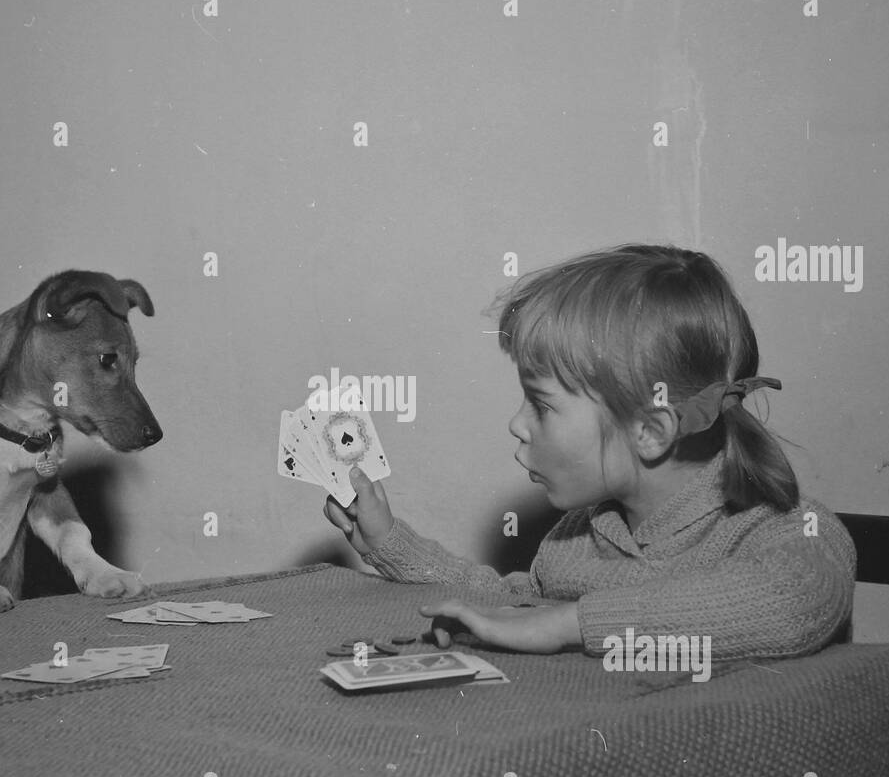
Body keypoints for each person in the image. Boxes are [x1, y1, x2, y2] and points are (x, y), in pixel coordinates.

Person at [324, 244, 855, 660]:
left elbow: (795, 598)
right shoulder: (578, 539)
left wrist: (569, 625)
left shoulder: (783, 532)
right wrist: (390, 542)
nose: (516, 423)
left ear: (651, 431)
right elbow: (506, 605)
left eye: (542, 404)